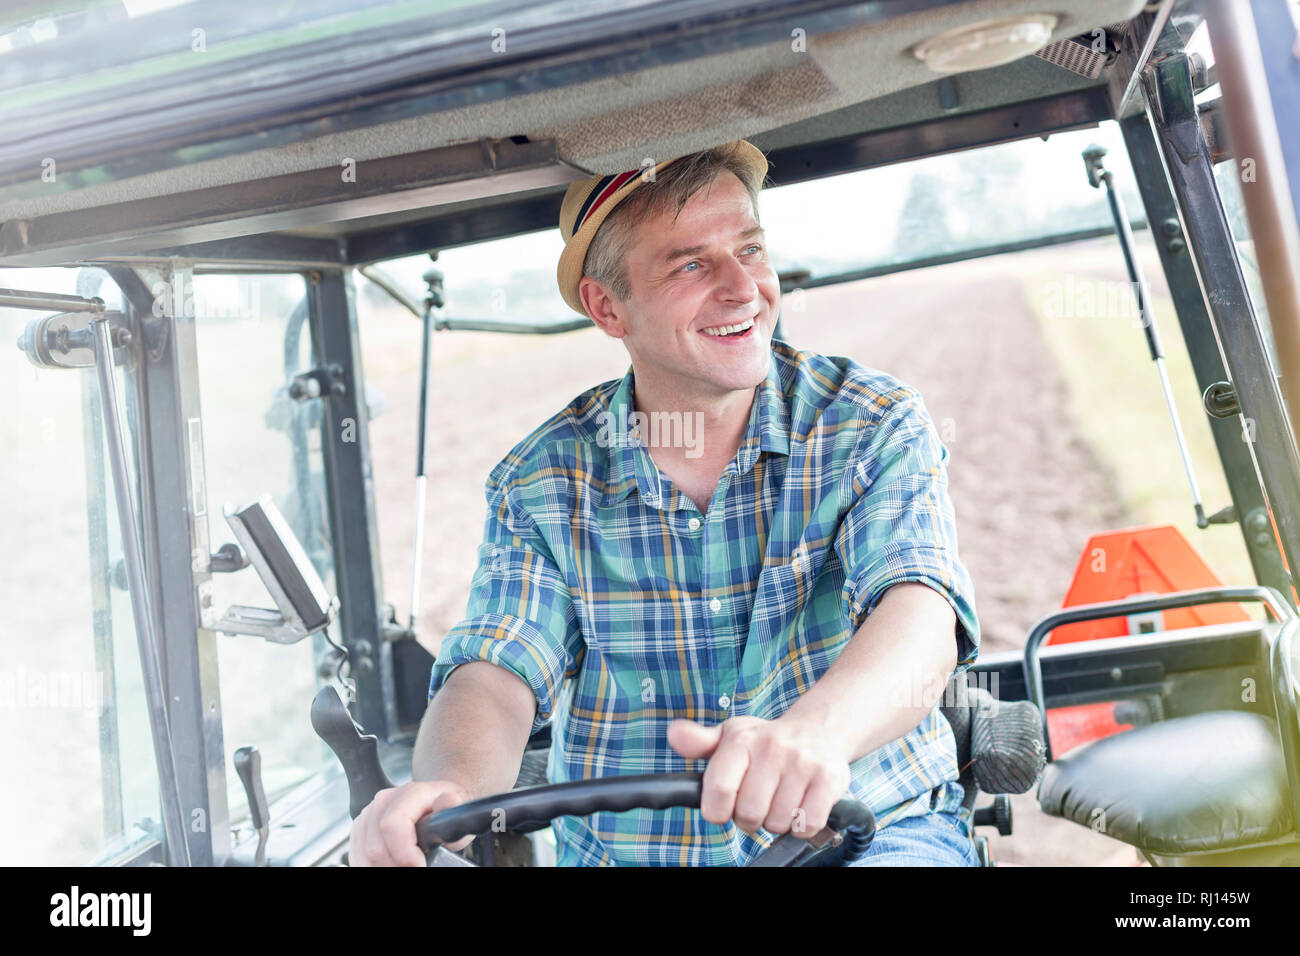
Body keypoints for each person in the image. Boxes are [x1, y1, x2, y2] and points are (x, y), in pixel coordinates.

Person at [349, 139, 980, 866]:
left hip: (867, 836)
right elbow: (498, 667)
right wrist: (448, 787)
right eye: (691, 263)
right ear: (608, 307)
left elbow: (920, 609)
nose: (743, 289)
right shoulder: (543, 481)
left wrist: (815, 735)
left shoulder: (869, 422)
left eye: (749, 248)